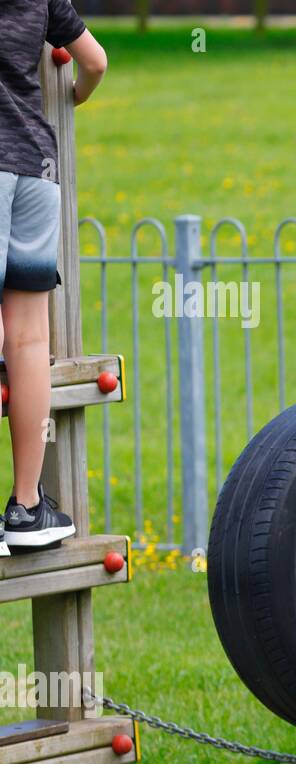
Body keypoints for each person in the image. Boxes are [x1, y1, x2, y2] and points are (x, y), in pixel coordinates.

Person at [0, 2, 107, 554]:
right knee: (28, 338)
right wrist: (78, 95)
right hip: (36, 170)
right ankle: (24, 507)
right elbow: (95, 62)